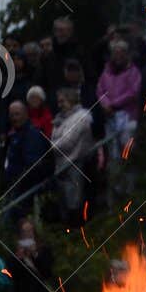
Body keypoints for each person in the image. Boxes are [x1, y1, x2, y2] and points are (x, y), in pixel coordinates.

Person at [51, 87, 97, 224]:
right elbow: (55, 139)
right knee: (63, 203)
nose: (59, 105)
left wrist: (50, 145)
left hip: (76, 163)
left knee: (75, 203)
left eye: (62, 101)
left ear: (71, 100)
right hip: (61, 165)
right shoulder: (59, 119)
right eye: (58, 102)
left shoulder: (82, 117)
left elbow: (67, 142)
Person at [97, 38, 141, 176]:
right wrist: (105, 104)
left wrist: (113, 103)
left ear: (127, 54)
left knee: (127, 151)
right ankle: (115, 184)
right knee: (113, 153)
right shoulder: (106, 72)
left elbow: (133, 92)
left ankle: (129, 187)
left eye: (121, 52)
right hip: (110, 117)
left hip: (128, 116)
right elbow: (100, 90)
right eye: (115, 52)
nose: (118, 55)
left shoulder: (134, 72)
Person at [8, 215, 56, 292]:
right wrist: (18, 258)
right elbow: (11, 275)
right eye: (24, 232)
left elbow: (47, 273)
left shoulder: (44, 250)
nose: (28, 234)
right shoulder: (14, 253)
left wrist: (35, 255)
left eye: (30, 231)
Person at [2, 99, 49, 224]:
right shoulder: (14, 135)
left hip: (25, 190)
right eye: (11, 115)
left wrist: (19, 183)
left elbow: (33, 165)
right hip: (12, 187)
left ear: (26, 114)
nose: (14, 118)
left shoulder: (32, 135)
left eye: (17, 114)